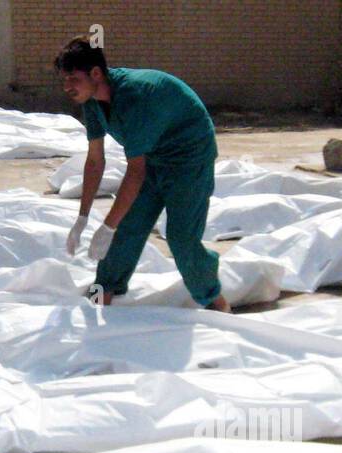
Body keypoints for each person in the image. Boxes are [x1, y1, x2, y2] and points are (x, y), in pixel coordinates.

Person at [54, 36, 232, 313]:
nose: (67, 87)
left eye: (73, 79)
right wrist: (83, 217)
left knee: (181, 237)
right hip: (153, 155)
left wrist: (107, 226)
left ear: (96, 73)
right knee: (127, 228)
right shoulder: (91, 101)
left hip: (189, 157)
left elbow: (135, 173)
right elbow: (94, 161)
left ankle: (216, 302)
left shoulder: (135, 97)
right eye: (63, 80)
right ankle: (102, 297)